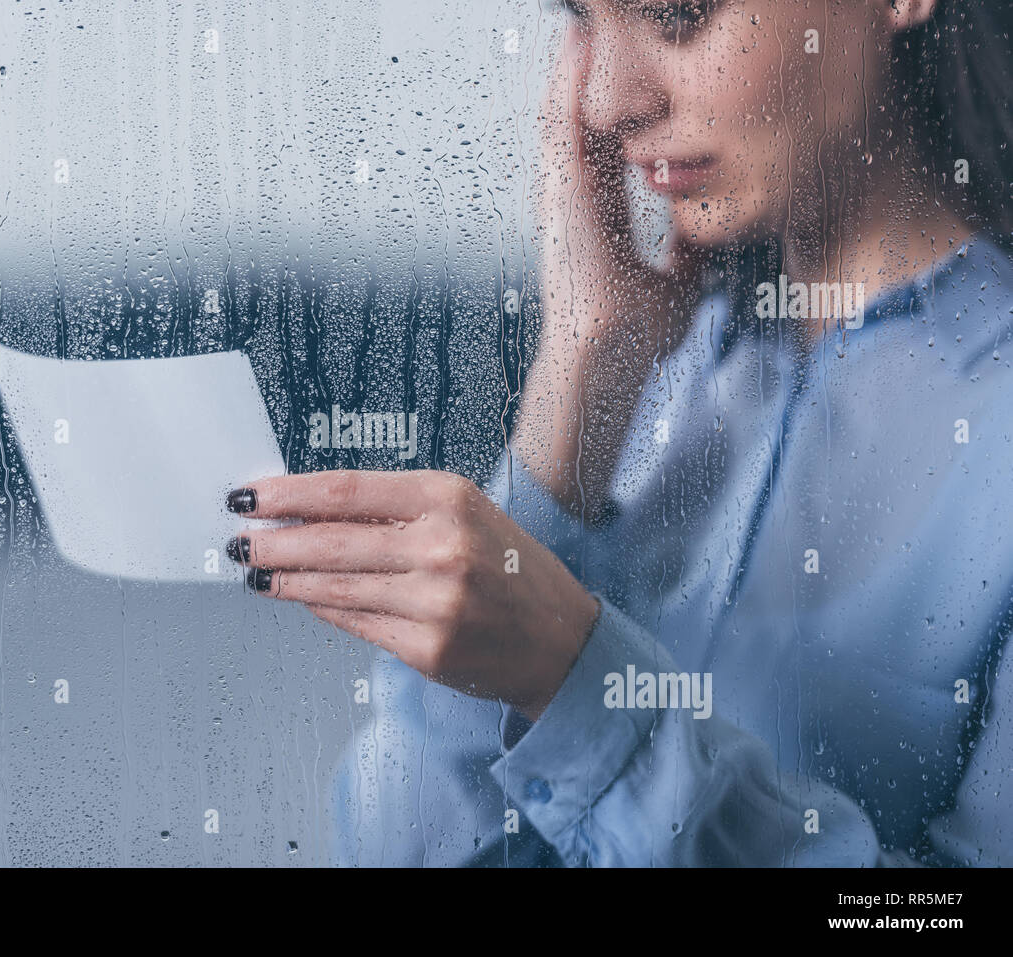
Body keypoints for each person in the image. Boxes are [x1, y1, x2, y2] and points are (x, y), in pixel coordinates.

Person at [224, 0, 1013, 865]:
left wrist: (575, 683)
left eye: (679, 14)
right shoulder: (674, 371)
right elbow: (393, 846)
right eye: (586, 19)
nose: (606, 101)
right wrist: (576, 378)